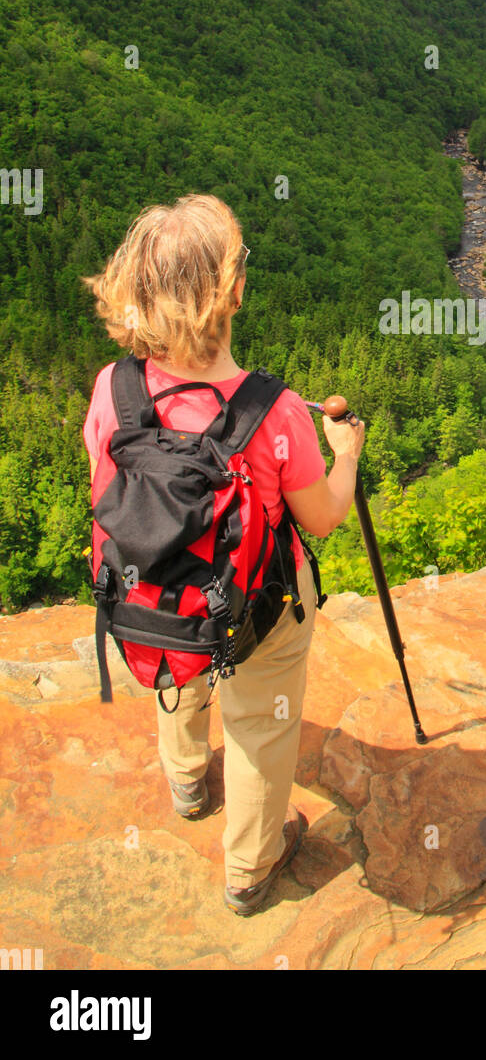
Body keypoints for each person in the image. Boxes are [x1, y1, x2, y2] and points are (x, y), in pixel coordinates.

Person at [81, 193, 365, 915]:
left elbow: (107, 488)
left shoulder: (114, 392)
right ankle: (250, 868)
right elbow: (324, 517)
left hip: (154, 598)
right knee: (259, 726)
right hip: (252, 607)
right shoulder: (271, 410)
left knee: (178, 651)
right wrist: (347, 454)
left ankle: (184, 782)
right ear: (234, 293)